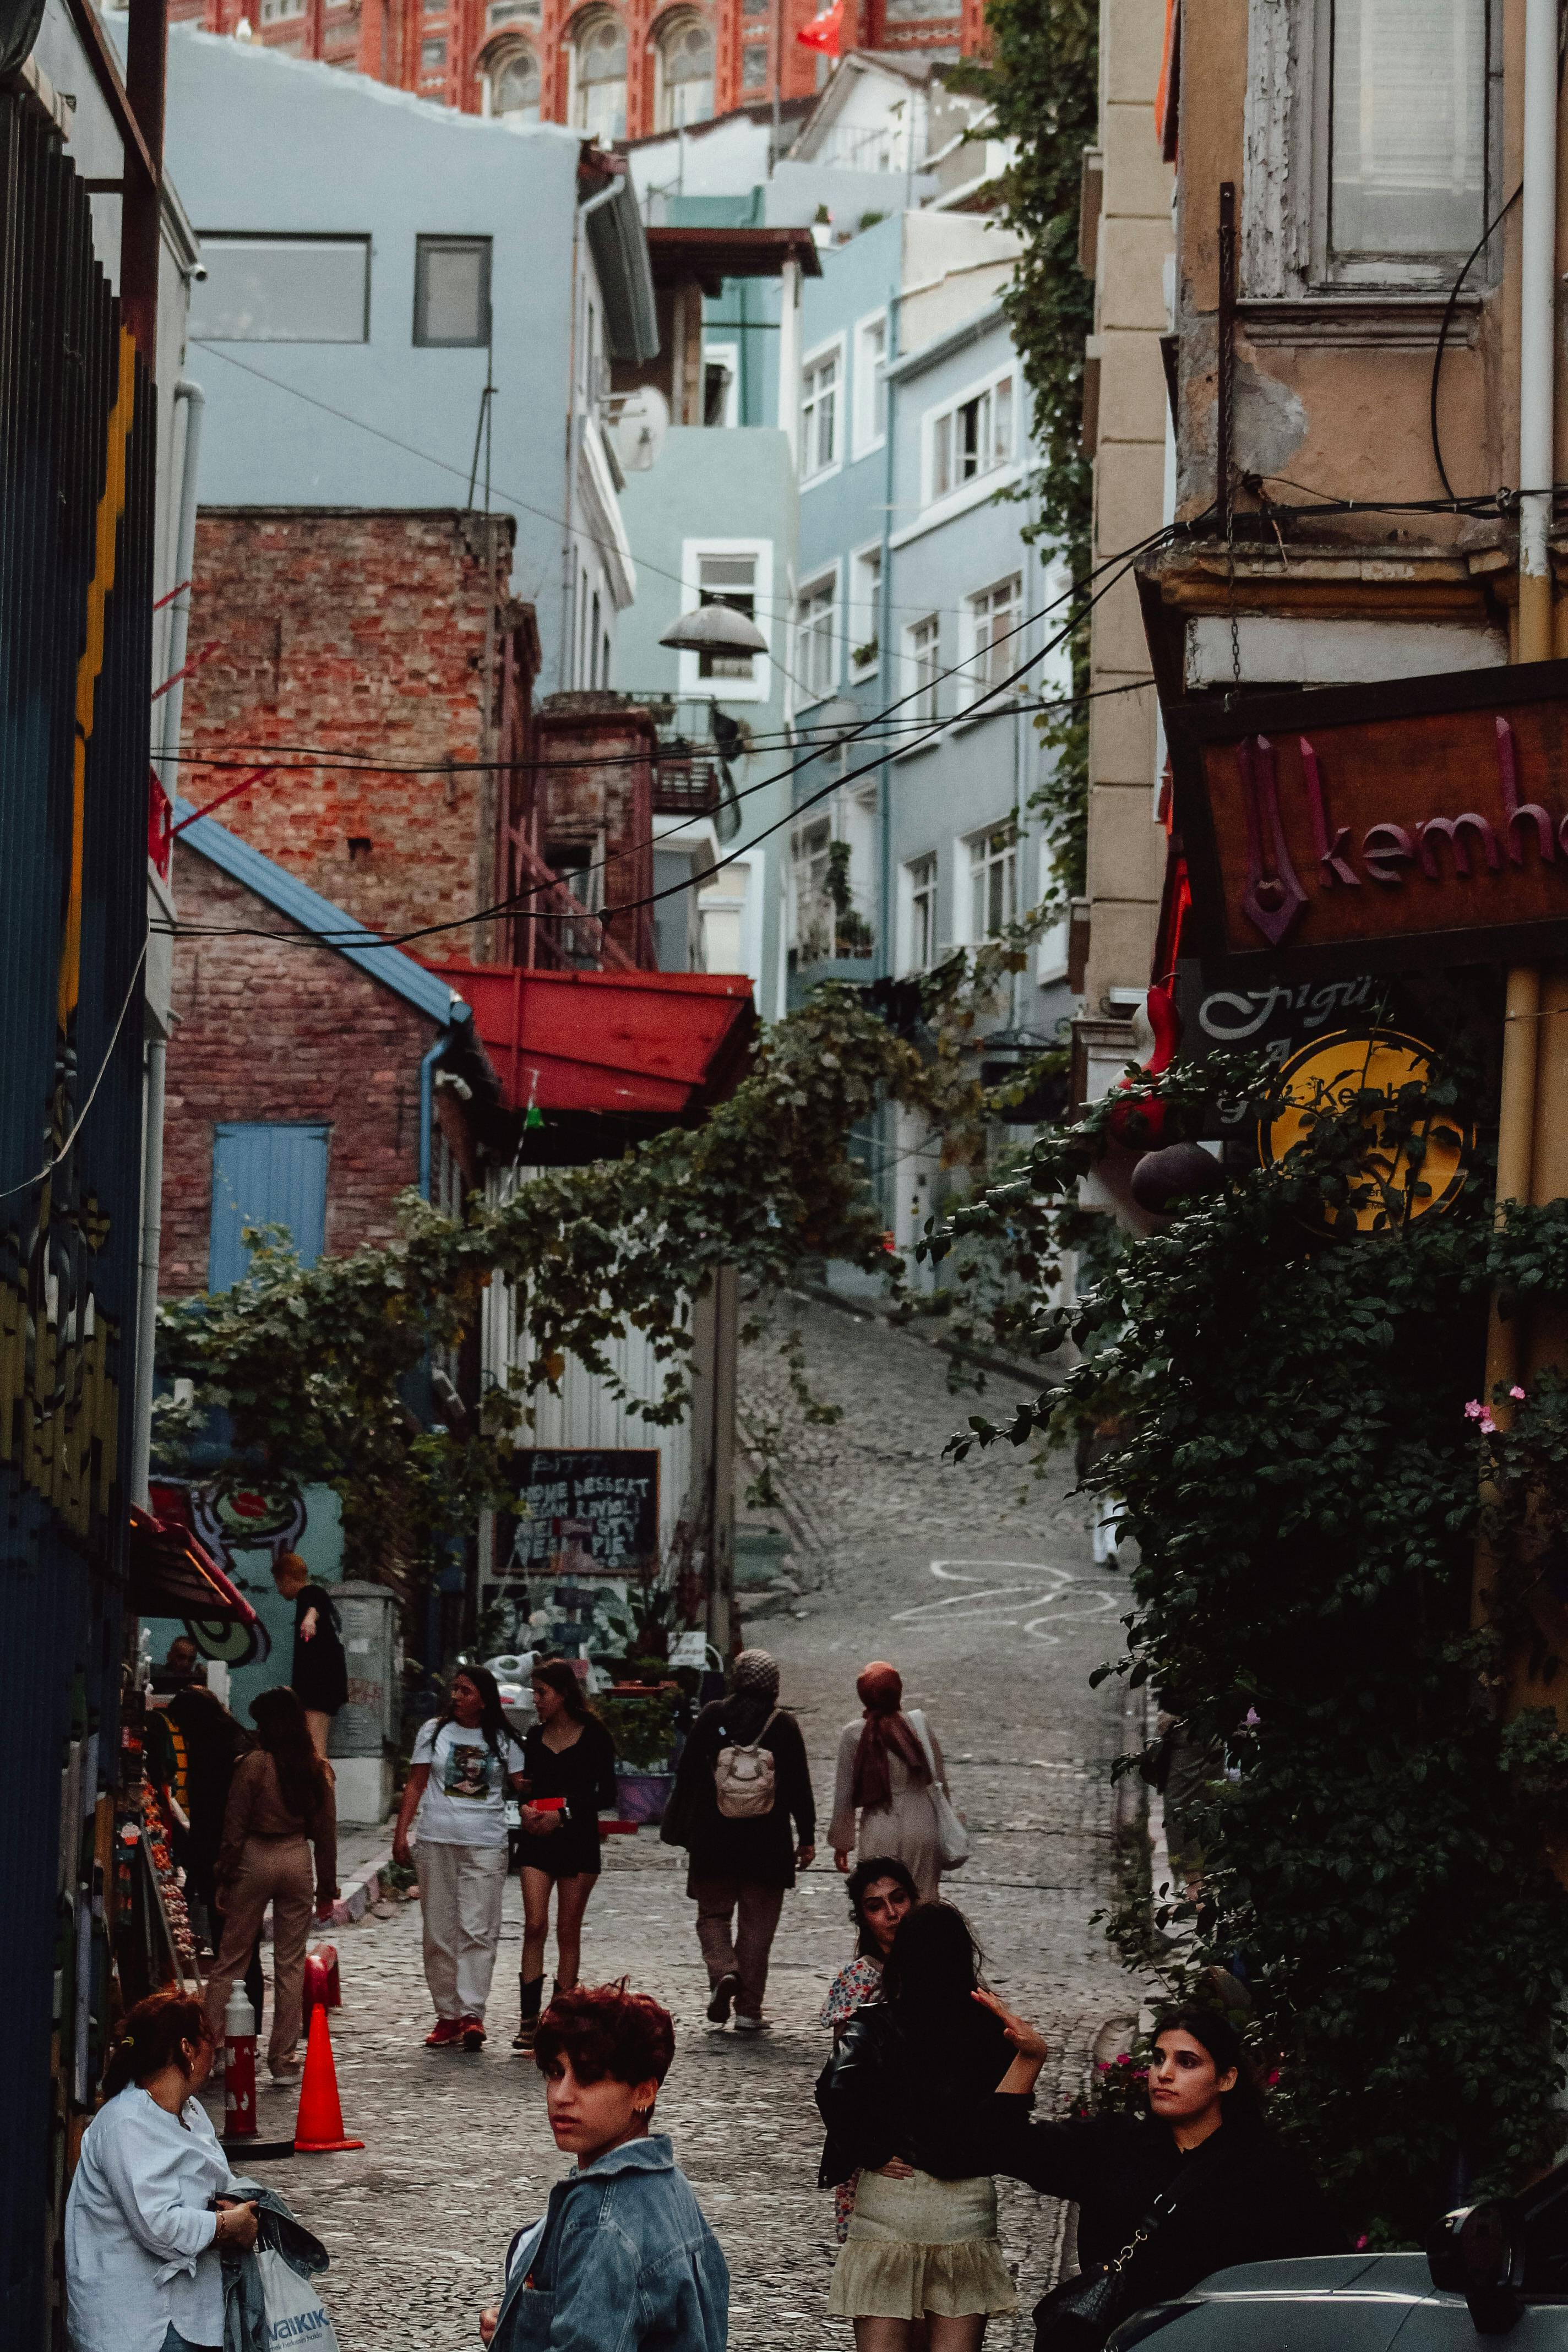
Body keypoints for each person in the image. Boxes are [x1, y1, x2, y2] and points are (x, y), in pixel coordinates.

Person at [977, 1996, 1347, 2325]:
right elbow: (1000, 2145)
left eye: (1187, 2062)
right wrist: (1029, 2059)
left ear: (1226, 2079)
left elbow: (1323, 2276)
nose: (1164, 2074)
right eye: (1158, 2059)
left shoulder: (1268, 2172)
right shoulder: (1112, 2146)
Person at [480, 1984, 729, 2352]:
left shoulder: (602, 2217)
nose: (562, 2096)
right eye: (555, 2073)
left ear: (643, 2092)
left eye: (589, 2078)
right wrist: (518, 2325)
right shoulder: (667, 2185)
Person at [817, 1901, 1021, 2350]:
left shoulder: (873, 2023)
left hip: (891, 2203)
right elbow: (1006, 2129)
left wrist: (871, 2150)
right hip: (964, 2211)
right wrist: (1033, 2055)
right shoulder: (993, 2031)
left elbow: (834, 2089)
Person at [65, 1988, 260, 2352]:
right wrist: (227, 2225)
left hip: (189, 2316)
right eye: (209, 2039)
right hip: (137, 2325)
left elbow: (217, 2183)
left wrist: (236, 2207)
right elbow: (159, 2227)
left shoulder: (192, 2113)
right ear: (187, 2048)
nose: (214, 2049)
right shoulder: (127, 2123)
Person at [662, 1647, 816, 2034]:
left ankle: (723, 1970)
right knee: (757, 1930)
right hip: (768, 1843)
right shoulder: (784, 1725)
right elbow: (799, 1785)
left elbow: (687, 1773)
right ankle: (749, 2011)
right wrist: (807, 1837)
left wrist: (684, 1825)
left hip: (714, 1840)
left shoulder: (712, 1715)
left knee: (713, 1916)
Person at [203, 1685, 338, 2082]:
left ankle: (211, 2050)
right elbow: (326, 1835)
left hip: (255, 1858)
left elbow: (234, 1825)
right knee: (290, 1965)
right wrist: (326, 1890)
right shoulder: (317, 1768)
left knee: (232, 1959)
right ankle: (283, 2060)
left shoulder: (254, 1764)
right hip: (297, 1858)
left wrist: (225, 1875)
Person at [394, 1663, 527, 2052]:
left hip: (485, 1844)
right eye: (455, 1688)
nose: (456, 1696)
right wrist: (401, 1833)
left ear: (484, 1700)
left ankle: (472, 2013)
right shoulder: (433, 1732)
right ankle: (447, 2015)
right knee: (438, 1929)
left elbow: (524, 1786)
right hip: (436, 1839)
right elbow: (416, 1783)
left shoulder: (505, 1740)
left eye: (466, 1690)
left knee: (477, 1928)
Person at [511, 1660, 618, 2054]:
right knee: (534, 1925)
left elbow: (607, 1794)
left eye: (542, 1693)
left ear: (562, 1694)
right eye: (534, 1692)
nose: (536, 1700)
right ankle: (528, 2021)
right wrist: (525, 1809)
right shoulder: (534, 1736)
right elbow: (526, 1786)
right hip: (537, 1840)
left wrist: (566, 1813)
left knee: (567, 1930)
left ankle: (559, 2023)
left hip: (577, 1841)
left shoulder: (594, 1735)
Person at [821, 1858, 920, 2245]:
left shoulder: (942, 1969)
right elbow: (843, 2080)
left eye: (899, 1899)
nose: (892, 1914)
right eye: (876, 1906)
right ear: (863, 1918)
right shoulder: (859, 1980)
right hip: (880, 2146)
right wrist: (871, 2149)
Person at [829, 1663, 954, 1901]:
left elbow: (845, 1794)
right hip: (922, 1822)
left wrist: (842, 1842)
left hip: (880, 1825)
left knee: (881, 1899)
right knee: (923, 1898)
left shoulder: (854, 1733)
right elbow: (939, 1780)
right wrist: (946, 1825)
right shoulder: (919, 1725)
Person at [270, 1550, 348, 1758]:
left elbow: (316, 1601)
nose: (279, 1590)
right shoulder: (312, 1597)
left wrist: (310, 1618)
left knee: (315, 1749)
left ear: (286, 1578)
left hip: (317, 1686)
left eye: (278, 1583)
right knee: (316, 1747)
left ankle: (321, 1780)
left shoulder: (309, 1593)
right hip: (325, 1685)